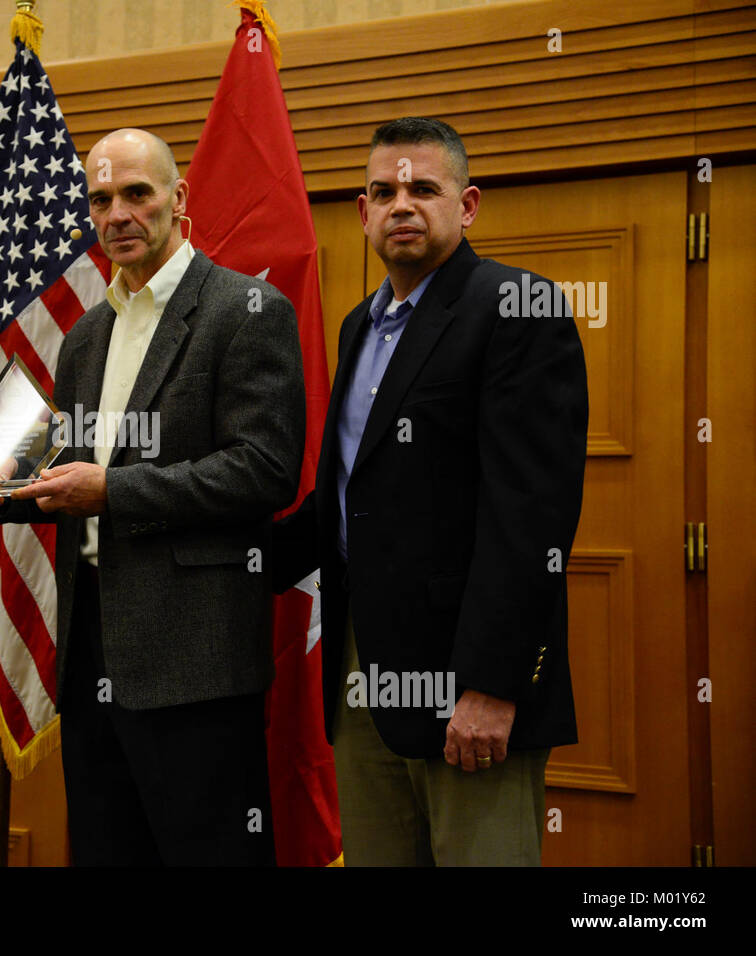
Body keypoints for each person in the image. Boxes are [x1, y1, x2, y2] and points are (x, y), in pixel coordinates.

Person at [0, 128, 305, 866]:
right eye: (100, 198)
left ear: (178, 200)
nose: (117, 213)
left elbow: (263, 471)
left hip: (196, 665)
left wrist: (112, 492)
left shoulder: (247, 311)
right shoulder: (87, 335)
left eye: (136, 194)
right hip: (92, 659)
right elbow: (77, 469)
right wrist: (7, 489)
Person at [273, 117, 589, 866]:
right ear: (362, 214)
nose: (401, 205)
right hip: (362, 673)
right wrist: (216, 552)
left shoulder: (516, 307)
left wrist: (492, 686)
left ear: (468, 205)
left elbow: (531, 517)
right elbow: (350, 498)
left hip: (468, 679)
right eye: (383, 192)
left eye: (423, 188)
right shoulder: (359, 326)